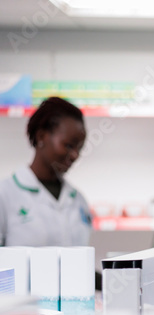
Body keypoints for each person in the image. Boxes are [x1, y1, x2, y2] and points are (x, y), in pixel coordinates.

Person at [0, 96, 92, 246]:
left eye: (79, 148)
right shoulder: (5, 195)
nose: (75, 155)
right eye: (69, 145)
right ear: (41, 136)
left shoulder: (78, 200)